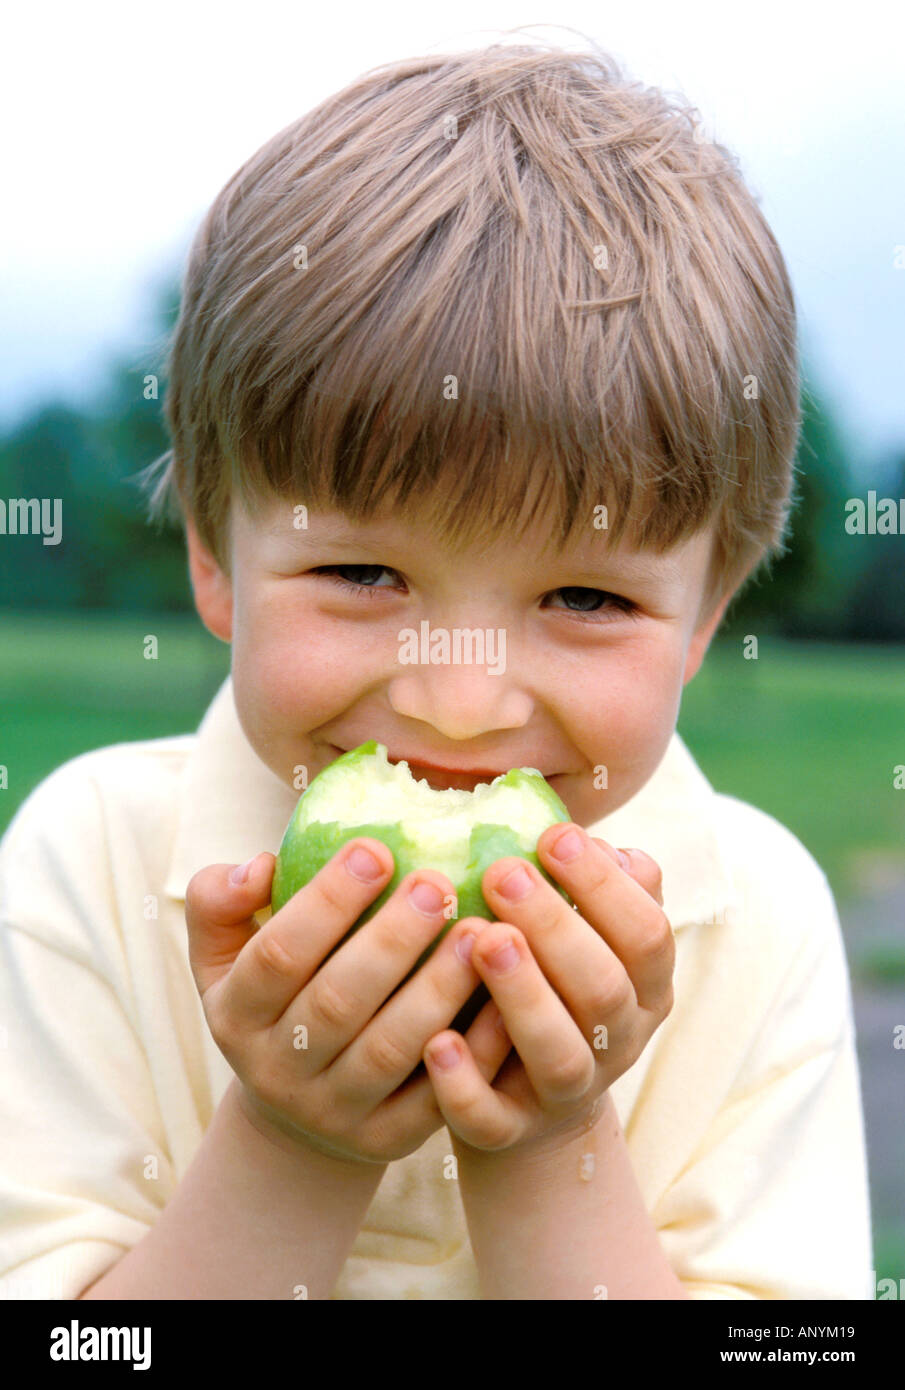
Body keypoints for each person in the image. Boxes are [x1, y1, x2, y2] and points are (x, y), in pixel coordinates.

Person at [0, 37, 872, 1300]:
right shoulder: (87, 860)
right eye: (362, 576)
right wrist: (289, 1144)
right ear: (211, 556)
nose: (458, 702)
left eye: (583, 596)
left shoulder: (759, 920)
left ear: (704, 615)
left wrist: (554, 1138)